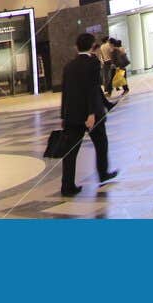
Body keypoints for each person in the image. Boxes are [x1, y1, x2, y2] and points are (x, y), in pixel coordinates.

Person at [57, 33, 117, 197]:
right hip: (92, 115)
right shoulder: (93, 63)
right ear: (92, 46)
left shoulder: (68, 66)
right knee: (101, 143)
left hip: (72, 116)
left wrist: (64, 116)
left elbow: (66, 93)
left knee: (70, 153)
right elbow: (92, 89)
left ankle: (67, 186)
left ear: (77, 47)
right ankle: (103, 173)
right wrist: (91, 113)